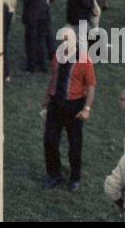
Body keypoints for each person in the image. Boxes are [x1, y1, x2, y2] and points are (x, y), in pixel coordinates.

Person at [41, 25, 96, 191]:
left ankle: (75, 178)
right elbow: (55, 77)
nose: (64, 43)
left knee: (74, 143)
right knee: (50, 140)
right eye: (62, 40)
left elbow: (91, 85)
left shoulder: (85, 60)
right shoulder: (57, 56)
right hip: (56, 103)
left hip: (75, 105)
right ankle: (54, 174)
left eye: (68, 39)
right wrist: (47, 98)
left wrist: (86, 108)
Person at [21, 0, 54, 74]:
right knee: (40, 40)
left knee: (31, 41)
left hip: (33, 14)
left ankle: (31, 66)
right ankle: (42, 65)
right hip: (43, 12)